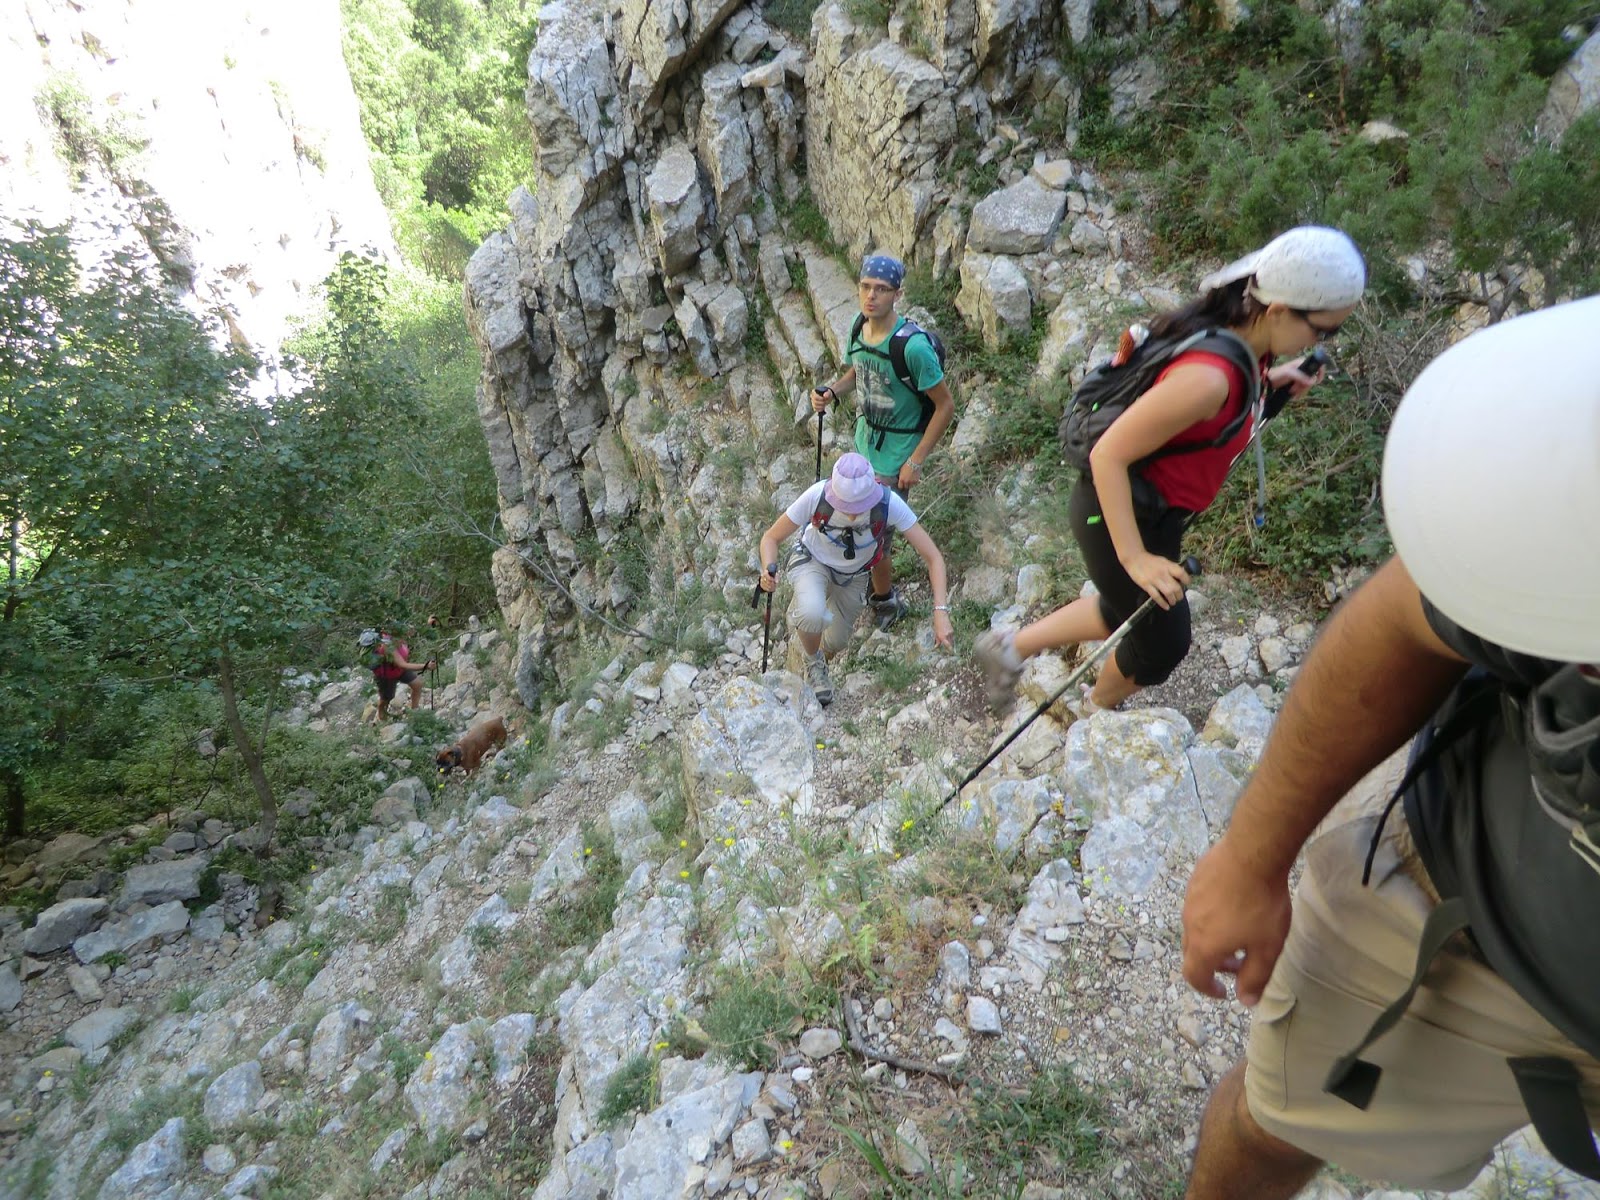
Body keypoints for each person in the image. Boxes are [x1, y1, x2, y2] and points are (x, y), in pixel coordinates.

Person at [1179, 295, 1600, 1198]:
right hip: (1468, 917)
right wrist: (1251, 858)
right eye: (1321, 331)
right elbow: (1413, 612)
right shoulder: (1214, 369)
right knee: (1274, 1120)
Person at [974, 226, 1365, 715]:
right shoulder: (1208, 379)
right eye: (1324, 328)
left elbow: (1211, 424)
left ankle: (1010, 648)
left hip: (1151, 510)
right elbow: (1108, 455)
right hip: (1117, 512)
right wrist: (1136, 558)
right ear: (1280, 310)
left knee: (1128, 608)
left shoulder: (1245, 336)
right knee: (1163, 643)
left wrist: (1274, 385)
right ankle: (1094, 710)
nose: (1325, 338)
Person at [809, 254, 956, 631]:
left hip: (896, 457)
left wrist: (916, 461)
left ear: (897, 294)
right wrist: (832, 390)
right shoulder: (859, 328)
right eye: (865, 287)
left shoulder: (914, 348)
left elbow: (945, 406)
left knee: (877, 534)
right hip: (865, 444)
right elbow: (858, 370)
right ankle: (870, 587)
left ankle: (885, 603)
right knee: (859, 523)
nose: (871, 296)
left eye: (881, 289)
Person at [757, 452, 953, 705]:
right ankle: (813, 657)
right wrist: (766, 570)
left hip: (855, 575)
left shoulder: (888, 503)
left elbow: (933, 557)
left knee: (837, 639)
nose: (851, 515)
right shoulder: (817, 495)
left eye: (858, 508)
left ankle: (808, 632)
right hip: (813, 561)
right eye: (845, 507)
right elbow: (770, 538)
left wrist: (940, 611)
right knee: (813, 613)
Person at [360, 627, 435, 722]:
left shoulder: (401, 640)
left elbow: (402, 661)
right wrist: (426, 666)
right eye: (407, 630)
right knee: (386, 699)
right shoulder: (387, 645)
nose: (410, 632)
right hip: (386, 676)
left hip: (399, 670)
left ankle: (415, 711)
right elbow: (402, 664)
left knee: (417, 684)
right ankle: (381, 718)